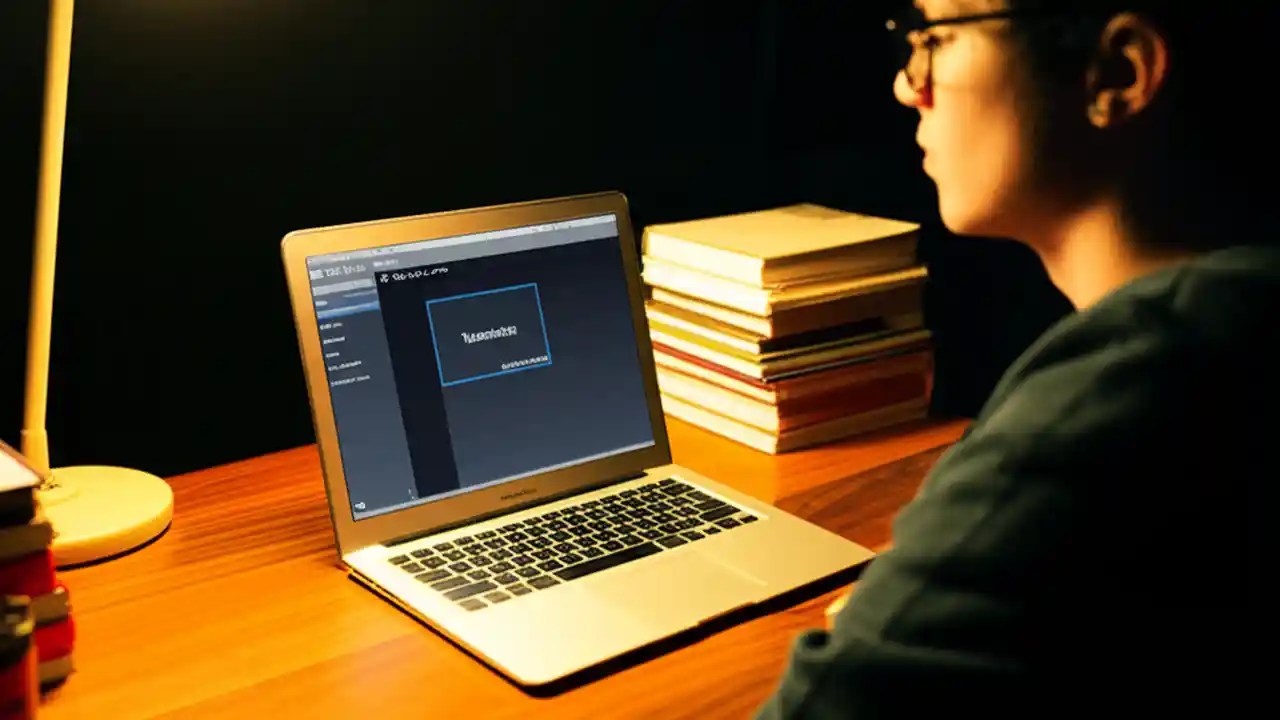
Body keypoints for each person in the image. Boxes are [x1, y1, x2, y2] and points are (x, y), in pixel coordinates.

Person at [756, 1, 1273, 717]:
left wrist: (911, 618)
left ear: (1117, 73)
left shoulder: (1124, 389)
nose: (909, 85)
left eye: (930, 37)